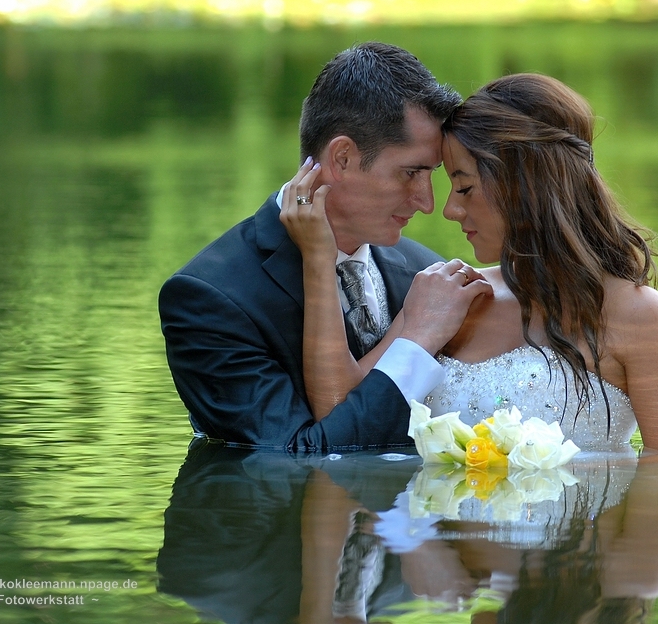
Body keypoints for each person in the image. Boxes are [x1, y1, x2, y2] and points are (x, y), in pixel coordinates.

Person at [284, 73, 658, 454]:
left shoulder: (638, 315)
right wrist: (319, 261)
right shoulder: (449, 296)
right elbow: (338, 415)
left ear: (524, 187)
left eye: (464, 188)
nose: (447, 209)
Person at [158, 42, 491, 452]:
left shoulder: (428, 272)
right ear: (343, 158)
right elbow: (305, 454)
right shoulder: (209, 299)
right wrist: (416, 338)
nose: (427, 202)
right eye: (410, 173)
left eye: (432, 175)